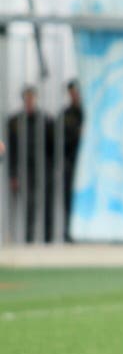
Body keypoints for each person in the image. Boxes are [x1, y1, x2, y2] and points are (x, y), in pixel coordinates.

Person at [6, 85, 55, 243]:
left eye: (31, 98)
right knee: (29, 204)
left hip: (44, 167)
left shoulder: (45, 120)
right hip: (25, 169)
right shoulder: (14, 122)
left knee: (47, 202)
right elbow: (11, 151)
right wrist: (13, 174)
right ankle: (28, 239)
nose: (29, 101)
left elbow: (52, 147)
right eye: (26, 98)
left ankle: (48, 239)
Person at [61, 79, 83, 242]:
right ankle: (70, 235)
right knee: (69, 199)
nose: (75, 95)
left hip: (90, 166)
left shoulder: (89, 112)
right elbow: (59, 142)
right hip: (71, 162)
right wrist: (78, 135)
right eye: (73, 92)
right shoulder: (65, 115)